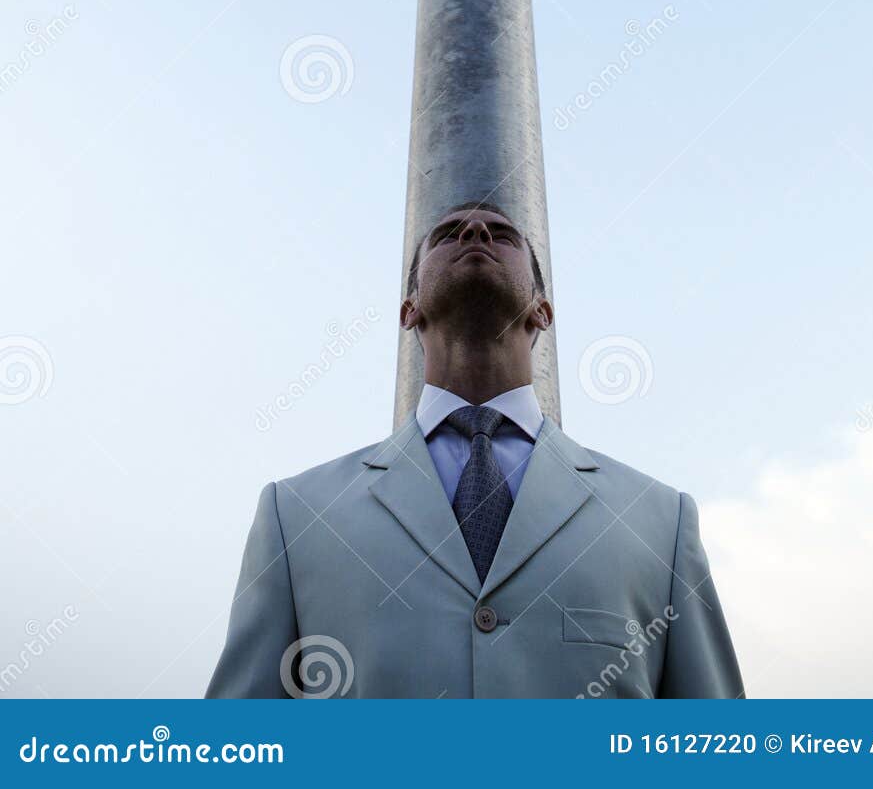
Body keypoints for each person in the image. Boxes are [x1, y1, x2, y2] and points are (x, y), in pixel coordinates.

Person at [206, 202, 743, 699]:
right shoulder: (297, 514)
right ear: (408, 309)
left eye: (503, 234)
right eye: (447, 234)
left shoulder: (658, 520)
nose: (475, 231)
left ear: (543, 310)